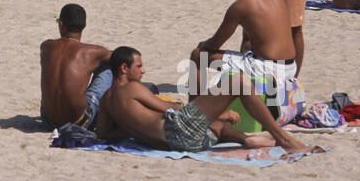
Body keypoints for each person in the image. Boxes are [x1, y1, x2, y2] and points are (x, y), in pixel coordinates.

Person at [180, 0, 307, 153]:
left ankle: (195, 111)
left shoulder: (241, 6)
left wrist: (204, 44)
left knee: (198, 55)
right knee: (245, 49)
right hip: (290, 67)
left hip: (268, 67)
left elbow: (215, 42)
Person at [93, 47, 277, 152]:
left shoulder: (105, 101)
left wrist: (133, 129)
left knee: (213, 127)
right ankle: (279, 136)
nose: (143, 71)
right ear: (124, 68)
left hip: (170, 144)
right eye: (139, 66)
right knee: (236, 82)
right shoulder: (132, 87)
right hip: (179, 132)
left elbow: (103, 133)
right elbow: (171, 110)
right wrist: (221, 114)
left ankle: (245, 139)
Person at [38, 4, 114, 130]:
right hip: (80, 122)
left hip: (48, 121)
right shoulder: (92, 52)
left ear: (61, 24)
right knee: (108, 66)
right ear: (84, 25)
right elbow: (120, 57)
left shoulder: (46, 47)